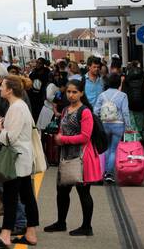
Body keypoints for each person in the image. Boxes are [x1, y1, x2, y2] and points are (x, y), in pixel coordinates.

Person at [0, 75, 39, 249]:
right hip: (23, 157)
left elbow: (10, 137)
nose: (0, 89)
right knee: (27, 196)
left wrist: (0, 130)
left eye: (2, 86)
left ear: (9, 90)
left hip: (15, 159)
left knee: (10, 197)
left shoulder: (16, 108)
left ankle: (5, 236)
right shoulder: (21, 106)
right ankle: (30, 233)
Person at [43, 76, 102, 237]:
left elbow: (85, 137)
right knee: (61, 191)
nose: (71, 95)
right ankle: (61, 222)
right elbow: (62, 129)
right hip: (66, 157)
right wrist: (59, 136)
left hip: (82, 157)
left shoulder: (85, 112)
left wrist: (63, 139)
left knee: (83, 192)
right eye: (68, 92)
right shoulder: (65, 110)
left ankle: (86, 226)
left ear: (81, 93)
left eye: (74, 92)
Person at [0, 62, 27, 236]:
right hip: (0, 147)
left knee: (8, 188)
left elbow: (11, 128)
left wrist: (0, 133)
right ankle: (12, 222)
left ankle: (19, 222)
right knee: (5, 188)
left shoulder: (8, 101)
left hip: (5, 149)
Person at [95, 72, 129, 180]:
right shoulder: (123, 95)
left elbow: (96, 111)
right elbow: (125, 112)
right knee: (113, 149)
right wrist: (128, 126)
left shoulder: (102, 95)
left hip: (105, 124)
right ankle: (109, 173)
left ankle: (102, 171)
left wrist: (97, 124)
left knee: (105, 148)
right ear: (119, 83)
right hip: (118, 125)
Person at [122, 61, 144, 156]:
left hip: (130, 106)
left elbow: (124, 91)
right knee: (139, 128)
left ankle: (132, 151)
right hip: (141, 107)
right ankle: (140, 151)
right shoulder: (141, 73)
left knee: (131, 129)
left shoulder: (127, 74)